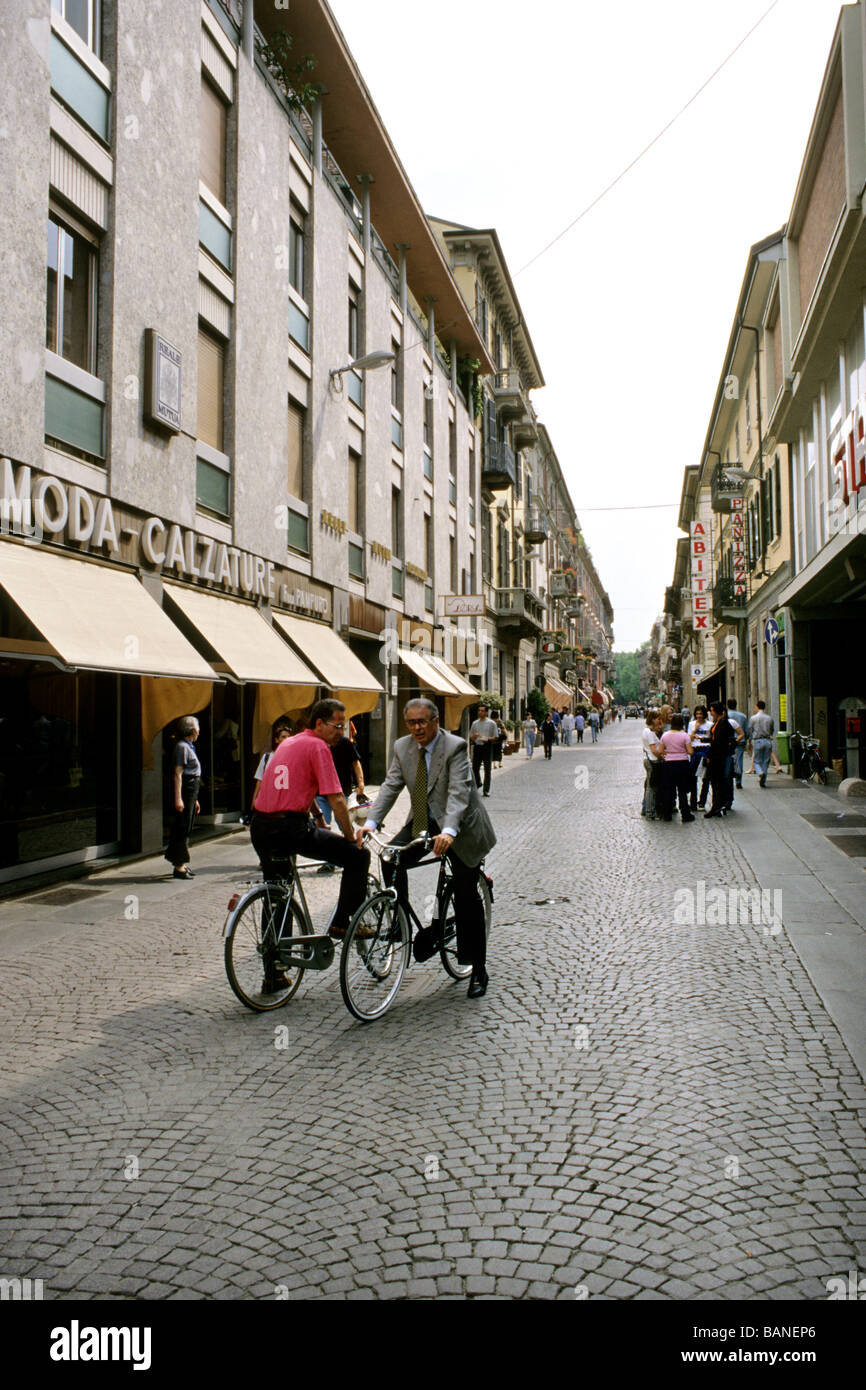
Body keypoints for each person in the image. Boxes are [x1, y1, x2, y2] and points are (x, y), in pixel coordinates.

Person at [360, 697, 496, 999]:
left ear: (436, 721)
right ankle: (400, 923)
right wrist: (371, 823)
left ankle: (478, 969)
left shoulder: (455, 747)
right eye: (411, 722)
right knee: (390, 857)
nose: (417, 728)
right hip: (423, 818)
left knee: (464, 893)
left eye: (422, 722)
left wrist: (449, 831)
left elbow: (460, 792)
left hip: (460, 826)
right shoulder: (402, 747)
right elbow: (390, 786)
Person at [251, 698, 371, 955]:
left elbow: (295, 784)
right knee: (358, 857)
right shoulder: (318, 747)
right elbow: (337, 798)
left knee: (277, 894)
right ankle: (341, 923)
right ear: (319, 723)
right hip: (289, 828)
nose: (341, 732)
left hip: (261, 826)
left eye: (343, 726)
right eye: (337, 726)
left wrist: (317, 817)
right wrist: (350, 836)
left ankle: (275, 972)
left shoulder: (290, 742)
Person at [314, 726, 368, 871]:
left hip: (340, 792)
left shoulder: (345, 743)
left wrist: (361, 783)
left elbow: (356, 763)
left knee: (345, 824)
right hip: (321, 793)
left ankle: (352, 853)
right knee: (323, 827)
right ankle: (330, 861)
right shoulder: (318, 743)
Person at [165, 715, 202, 879]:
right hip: (186, 788)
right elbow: (178, 774)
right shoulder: (182, 747)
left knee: (186, 826)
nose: (199, 732)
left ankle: (181, 863)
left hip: (191, 790)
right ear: (192, 730)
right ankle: (178, 865)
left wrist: (195, 800)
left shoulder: (189, 746)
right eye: (197, 728)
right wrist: (178, 798)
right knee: (182, 826)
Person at [251, 718, 293, 812]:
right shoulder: (267, 757)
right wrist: (254, 800)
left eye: (288, 737)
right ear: (276, 740)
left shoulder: (294, 757)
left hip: (286, 803)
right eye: (283, 737)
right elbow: (259, 780)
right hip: (269, 801)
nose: (286, 739)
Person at [704, 701, 737, 817]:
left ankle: (716, 806)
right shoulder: (719, 722)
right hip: (718, 756)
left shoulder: (723, 723)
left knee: (717, 782)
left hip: (718, 757)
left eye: (712, 710)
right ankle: (717, 805)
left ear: (716, 711)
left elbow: (718, 742)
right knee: (716, 782)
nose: (710, 712)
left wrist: (710, 755)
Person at [659, 715, 695, 822]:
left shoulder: (665, 735)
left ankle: (667, 814)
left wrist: (669, 752)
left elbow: (661, 751)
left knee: (669, 790)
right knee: (682, 790)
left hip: (669, 764)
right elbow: (690, 752)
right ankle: (685, 813)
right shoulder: (685, 736)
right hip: (682, 764)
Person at [468, 703, 498, 798]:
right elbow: (471, 737)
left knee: (487, 769)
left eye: (482, 711)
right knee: (475, 768)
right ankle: (478, 782)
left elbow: (496, 736)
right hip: (477, 746)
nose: (480, 712)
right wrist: (474, 736)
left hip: (487, 746)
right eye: (479, 710)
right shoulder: (475, 723)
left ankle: (486, 790)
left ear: (486, 712)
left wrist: (488, 739)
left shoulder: (491, 723)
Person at [687, 704, 712, 811]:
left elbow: (711, 738)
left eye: (701, 713)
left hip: (706, 750)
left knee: (705, 778)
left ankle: (702, 802)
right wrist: (695, 729)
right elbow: (688, 739)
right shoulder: (691, 724)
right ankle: (693, 802)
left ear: (704, 714)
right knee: (693, 778)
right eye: (697, 714)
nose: (699, 716)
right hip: (695, 750)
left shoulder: (710, 725)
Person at [641, 712, 665, 819]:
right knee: (652, 788)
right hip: (653, 761)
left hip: (650, 759)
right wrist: (662, 756)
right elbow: (654, 750)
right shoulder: (650, 733)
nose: (659, 721)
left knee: (650, 786)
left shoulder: (646, 731)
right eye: (658, 719)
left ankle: (648, 809)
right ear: (653, 719)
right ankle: (650, 811)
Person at [747, 700, 775, 787]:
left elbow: (750, 730)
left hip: (758, 741)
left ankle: (760, 772)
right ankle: (763, 780)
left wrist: (749, 741)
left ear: (757, 707)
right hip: (767, 740)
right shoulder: (769, 718)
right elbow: (772, 730)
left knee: (756, 761)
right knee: (766, 761)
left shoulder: (753, 718)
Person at [727, 698, 748, 795]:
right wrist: (747, 739)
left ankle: (730, 775)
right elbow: (746, 730)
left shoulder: (726, 715)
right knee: (739, 759)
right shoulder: (742, 716)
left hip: (729, 741)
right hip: (740, 740)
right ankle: (739, 780)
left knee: (729, 759)